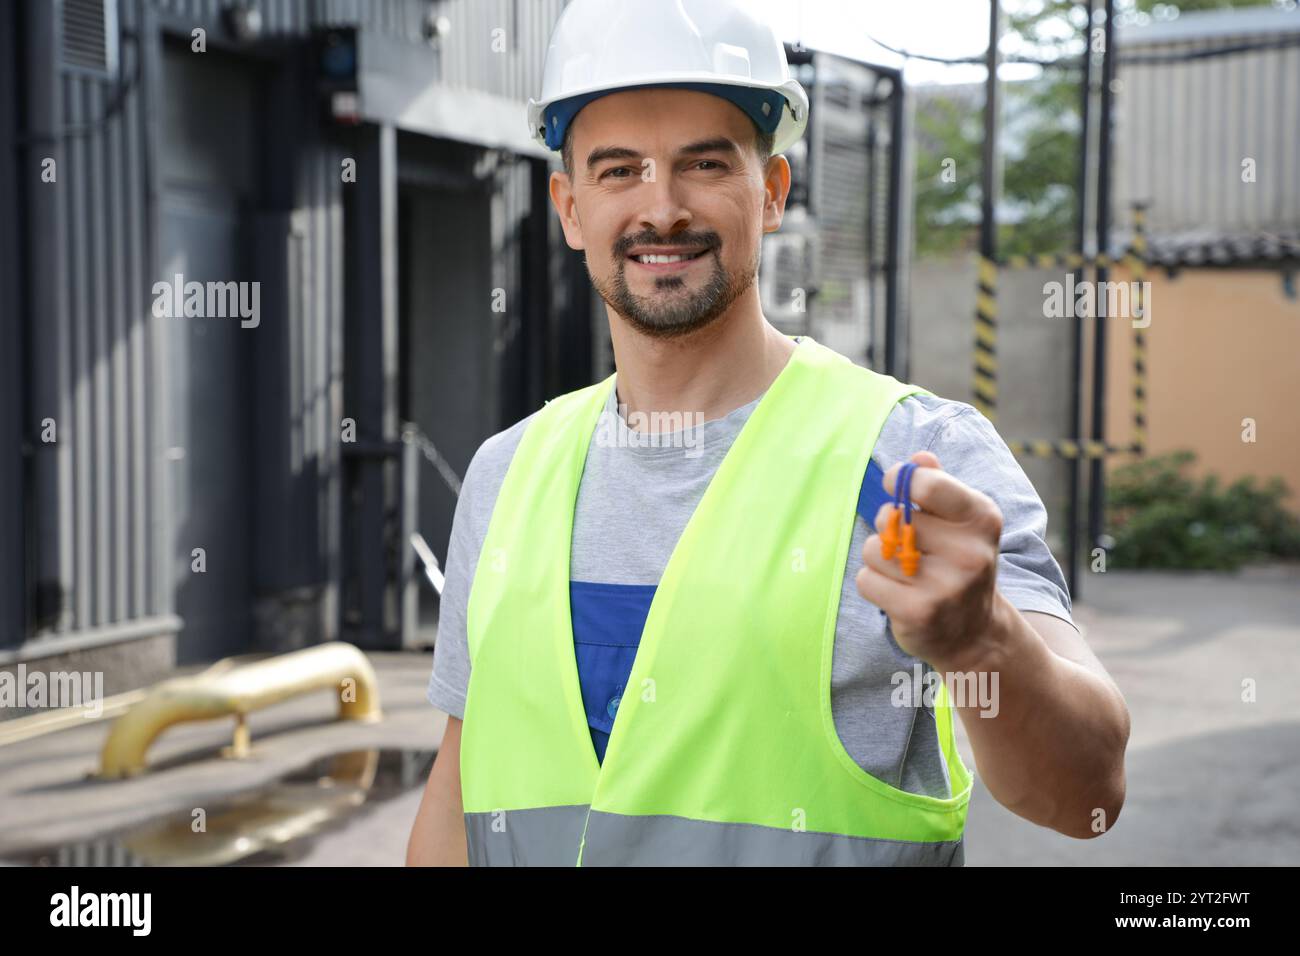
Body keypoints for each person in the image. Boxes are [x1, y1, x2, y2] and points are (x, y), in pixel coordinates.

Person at [407, 0, 1129, 867]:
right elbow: (458, 795)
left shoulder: (913, 461)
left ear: (773, 191)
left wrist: (986, 641)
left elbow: (1088, 792)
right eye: (619, 170)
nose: (662, 207)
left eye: (703, 163)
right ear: (569, 208)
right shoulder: (508, 474)